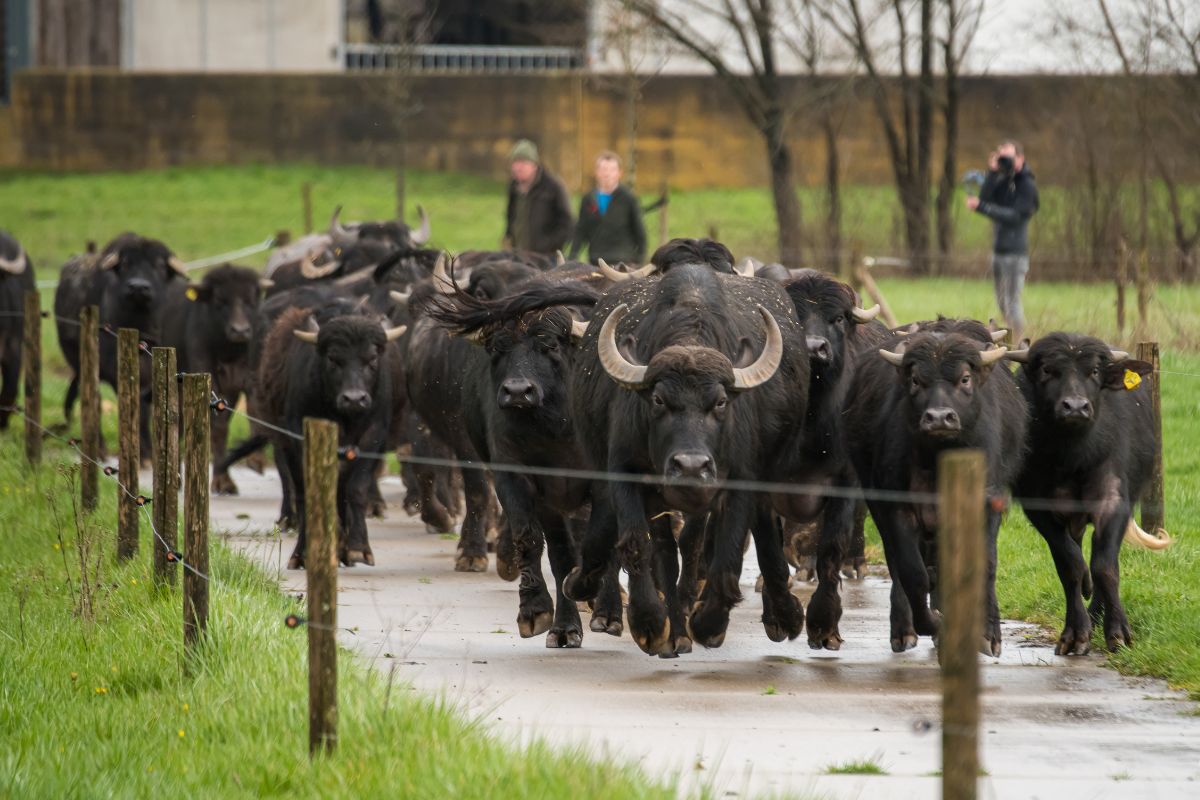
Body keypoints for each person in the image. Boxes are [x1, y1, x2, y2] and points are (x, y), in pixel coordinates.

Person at [966, 139, 1039, 343]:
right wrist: (992, 172)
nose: (1005, 161)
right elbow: (986, 198)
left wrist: (983, 207)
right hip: (999, 251)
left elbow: (1015, 216)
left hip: (1016, 254)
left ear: (1020, 158)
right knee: (1002, 303)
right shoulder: (1004, 182)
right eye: (1001, 156)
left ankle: (1017, 344)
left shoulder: (1027, 185)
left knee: (1012, 303)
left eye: (1008, 157)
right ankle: (1010, 341)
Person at [568, 151, 647, 266]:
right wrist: (572, 257)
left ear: (619, 173)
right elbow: (581, 230)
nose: (607, 174)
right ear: (596, 172)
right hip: (596, 262)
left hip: (623, 263)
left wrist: (639, 261)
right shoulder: (588, 198)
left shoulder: (629, 198)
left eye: (612, 170)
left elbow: (640, 232)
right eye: (603, 169)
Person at [502, 139, 573, 258]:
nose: (517, 167)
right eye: (515, 162)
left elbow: (567, 223)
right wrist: (509, 237)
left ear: (534, 165)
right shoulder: (513, 187)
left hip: (546, 259)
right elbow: (511, 217)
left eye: (523, 163)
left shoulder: (553, 186)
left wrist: (551, 247)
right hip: (518, 256)